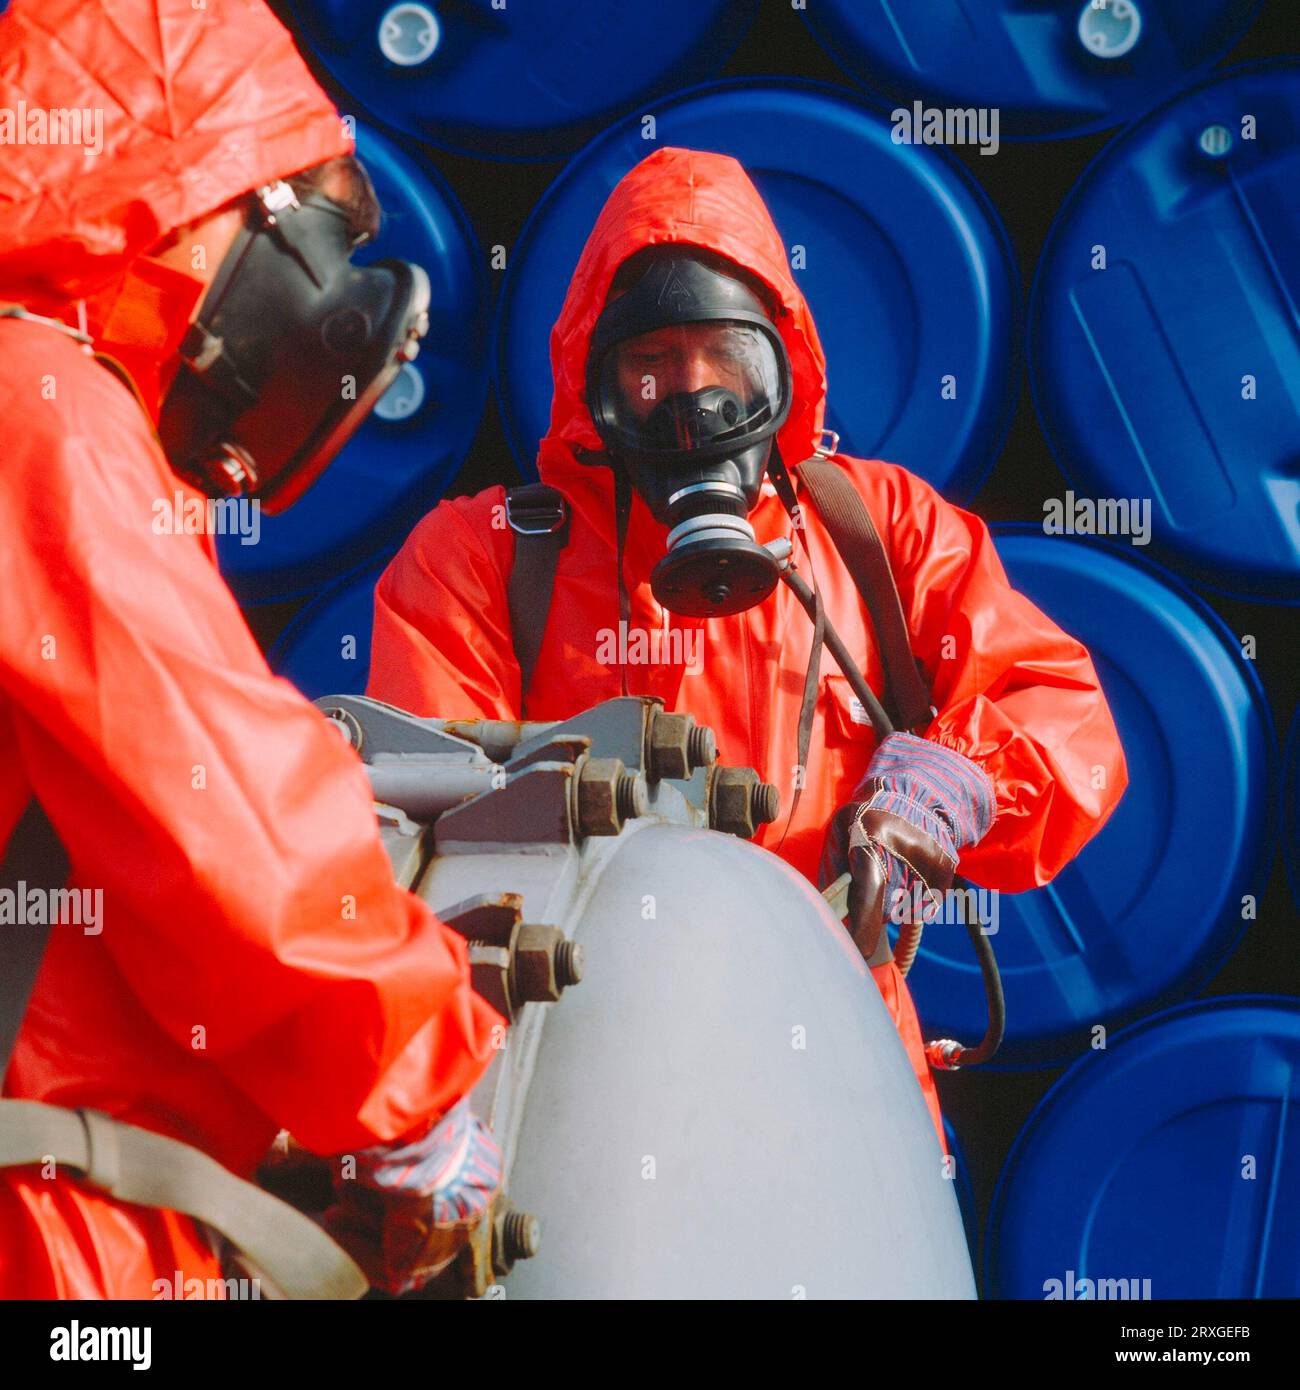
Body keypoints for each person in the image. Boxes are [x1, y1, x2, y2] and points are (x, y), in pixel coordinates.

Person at [366, 146, 1128, 1148]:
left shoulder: (878, 528)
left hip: (841, 1075)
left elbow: (1059, 708)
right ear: (591, 386)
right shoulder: (489, 556)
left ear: (784, 363)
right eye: (648, 369)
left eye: (725, 364)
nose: (691, 407)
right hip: (575, 1090)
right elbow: (420, 838)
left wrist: (953, 781)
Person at [0, 0, 502, 1299]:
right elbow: (219, 807)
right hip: (52, 1218)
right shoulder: (43, 413)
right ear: (205, 185)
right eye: (323, 211)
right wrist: (412, 1086)